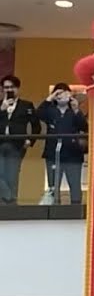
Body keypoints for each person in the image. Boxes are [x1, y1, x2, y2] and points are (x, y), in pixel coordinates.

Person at [36, 83, 88, 205]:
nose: (61, 96)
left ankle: (76, 210)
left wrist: (76, 109)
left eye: (64, 93)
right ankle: (54, 211)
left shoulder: (73, 111)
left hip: (73, 155)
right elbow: (38, 113)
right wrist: (50, 97)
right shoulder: (50, 111)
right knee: (53, 186)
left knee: (75, 185)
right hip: (53, 155)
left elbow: (84, 126)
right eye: (58, 93)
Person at [0, 75, 40, 205]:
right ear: (2, 89)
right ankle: (9, 198)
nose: (9, 90)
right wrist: (2, 110)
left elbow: (36, 125)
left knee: (11, 176)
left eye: (12, 87)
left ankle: (11, 207)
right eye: (6, 87)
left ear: (17, 88)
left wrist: (30, 140)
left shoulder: (26, 105)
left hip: (16, 145)